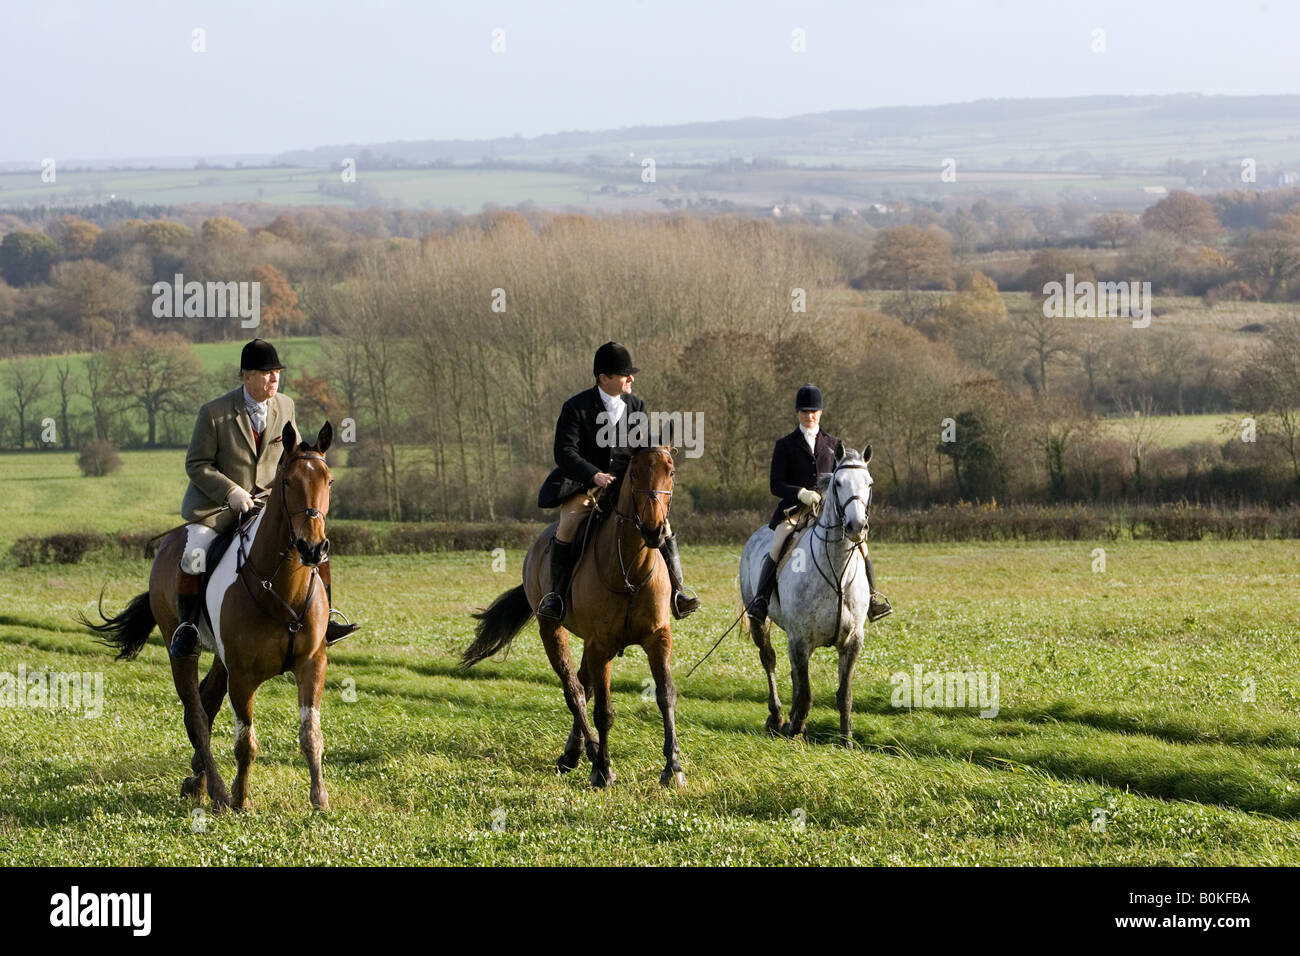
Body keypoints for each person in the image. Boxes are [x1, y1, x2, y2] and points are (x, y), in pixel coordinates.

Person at [170, 338, 358, 658]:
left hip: (267, 505)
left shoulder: (285, 405)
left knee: (314, 546)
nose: (274, 378)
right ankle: (188, 627)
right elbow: (196, 465)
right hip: (218, 507)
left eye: (277, 373)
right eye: (267, 372)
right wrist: (232, 491)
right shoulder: (213, 413)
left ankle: (325, 619)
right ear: (246, 376)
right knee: (194, 553)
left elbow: (291, 455)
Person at [536, 341, 700, 622]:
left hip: (626, 485)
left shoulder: (637, 406)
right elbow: (564, 452)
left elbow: (645, 450)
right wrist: (592, 474)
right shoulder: (576, 407)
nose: (631, 379)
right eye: (626, 374)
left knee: (663, 525)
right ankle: (556, 596)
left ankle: (678, 592)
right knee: (568, 524)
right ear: (604, 378)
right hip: (586, 486)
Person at [747, 383, 892, 624]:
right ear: (797, 414)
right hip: (795, 510)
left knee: (862, 544)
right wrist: (801, 493)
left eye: (814, 411)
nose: (809, 415)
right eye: (805, 411)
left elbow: (844, 480)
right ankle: (762, 600)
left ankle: (873, 598)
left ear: (821, 412)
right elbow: (776, 484)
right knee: (778, 542)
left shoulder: (835, 444)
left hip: (829, 510)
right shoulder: (784, 445)